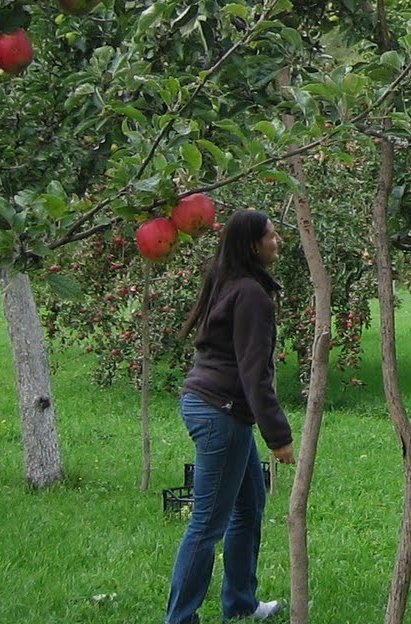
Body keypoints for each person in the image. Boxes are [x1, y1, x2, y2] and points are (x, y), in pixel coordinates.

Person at [166, 208, 295, 624]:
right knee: (207, 524)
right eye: (271, 235)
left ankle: (240, 603)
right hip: (218, 412)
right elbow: (254, 374)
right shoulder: (250, 294)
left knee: (250, 504)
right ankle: (180, 619)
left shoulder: (230, 282)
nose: (278, 240)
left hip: (212, 407)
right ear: (252, 245)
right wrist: (279, 437)